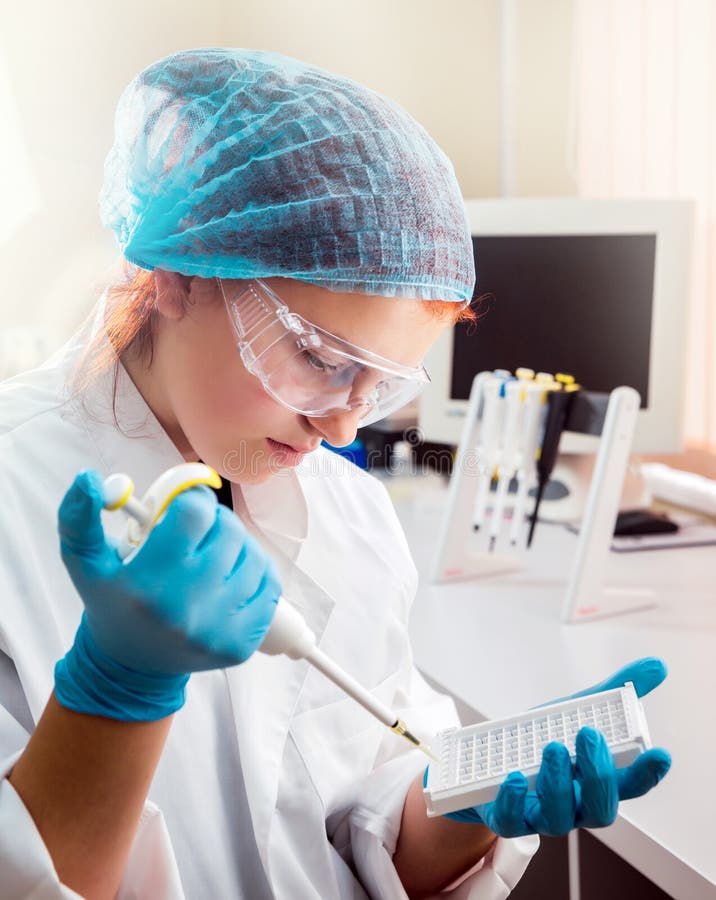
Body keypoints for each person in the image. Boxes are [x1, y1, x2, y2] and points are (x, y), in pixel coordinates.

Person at [0, 49, 670, 900]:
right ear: (172, 275)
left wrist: (475, 803)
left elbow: (371, 817)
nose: (344, 424)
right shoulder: (11, 493)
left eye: (382, 383)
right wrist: (115, 688)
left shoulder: (347, 511)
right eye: (317, 357)